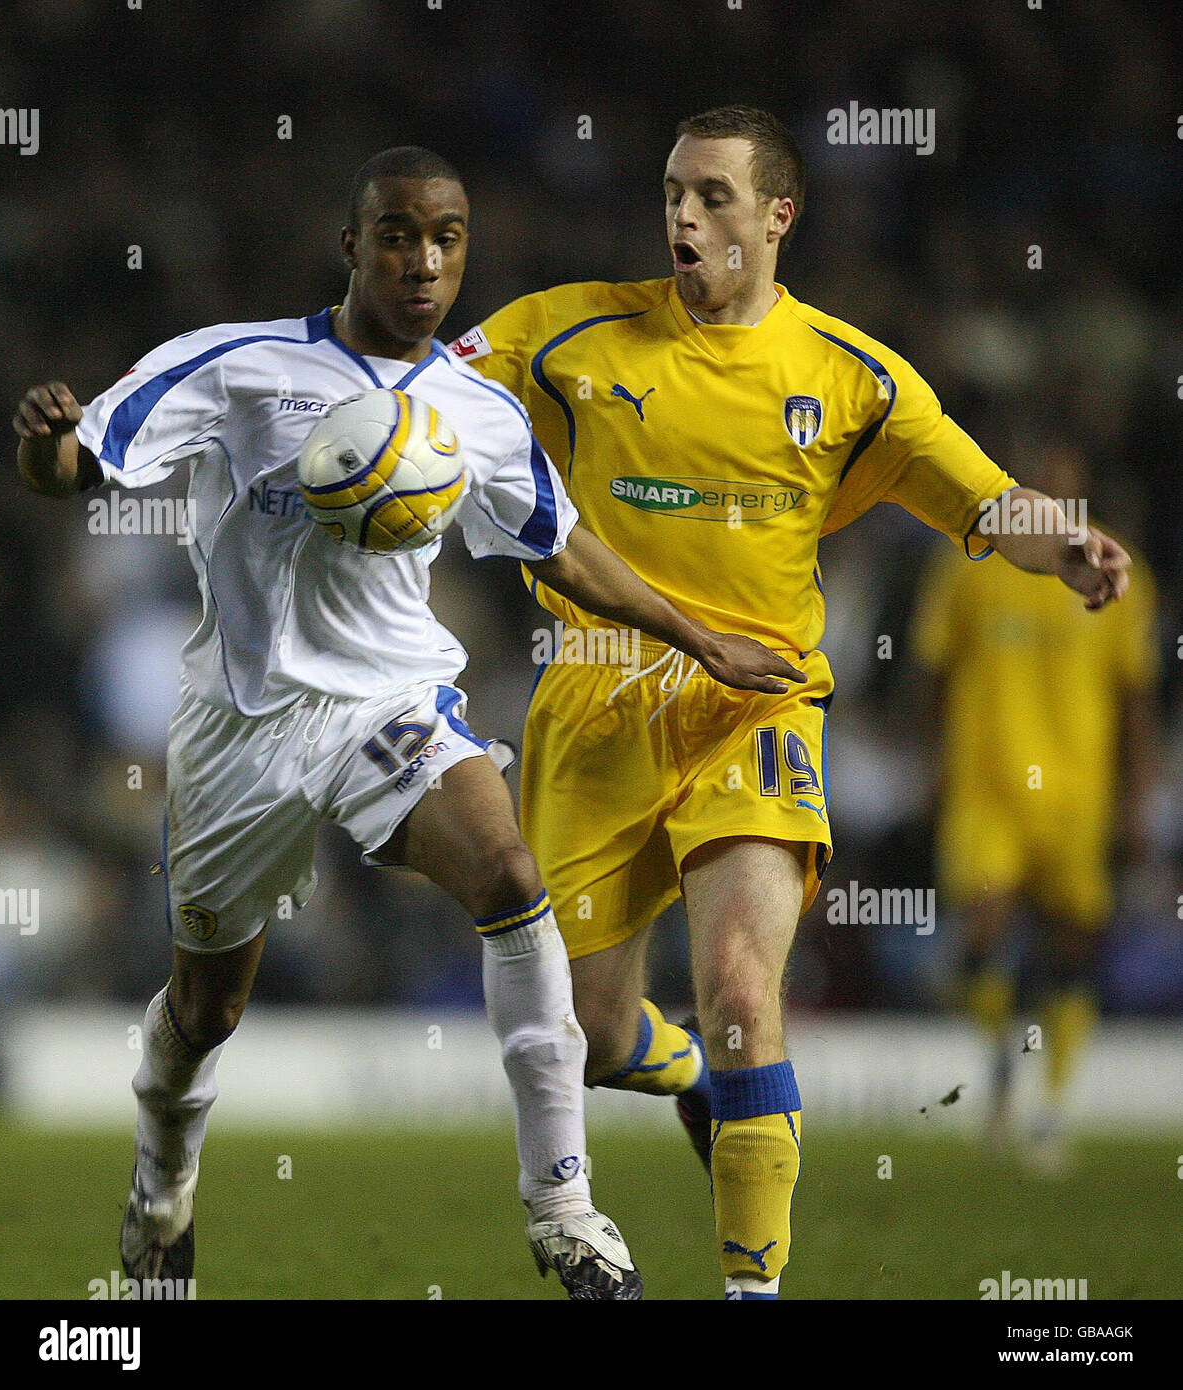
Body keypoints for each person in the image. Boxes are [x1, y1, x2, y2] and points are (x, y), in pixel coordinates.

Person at [13, 145, 794, 1302]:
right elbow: (78, 468)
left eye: (446, 238)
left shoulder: (477, 410)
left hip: (389, 704)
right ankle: (161, 1197)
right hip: (239, 728)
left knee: (512, 879)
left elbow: (566, 547)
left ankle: (567, 1211)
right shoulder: (239, 366)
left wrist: (697, 635)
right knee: (202, 1008)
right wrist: (43, 438)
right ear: (351, 244)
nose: (423, 261)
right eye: (396, 235)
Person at [459, 105, 1132, 1298]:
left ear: (778, 215)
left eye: (713, 194)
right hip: (595, 705)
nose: (682, 213)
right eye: (672, 190)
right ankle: (677, 1076)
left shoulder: (851, 377)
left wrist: (1065, 538)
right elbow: (416, 388)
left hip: (755, 707)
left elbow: (984, 500)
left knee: (737, 989)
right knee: (597, 1035)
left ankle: (750, 1290)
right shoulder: (567, 336)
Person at [911, 442, 1159, 1172]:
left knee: (1072, 945)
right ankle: (1000, 1070)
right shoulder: (967, 567)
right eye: (1042, 484)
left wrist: (1137, 802)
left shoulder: (1121, 573)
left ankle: (1051, 1110)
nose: (1055, 493)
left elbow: (1136, 699)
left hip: (1079, 796)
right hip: (986, 787)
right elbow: (933, 670)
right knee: (982, 933)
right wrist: (931, 766)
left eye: (1067, 483)